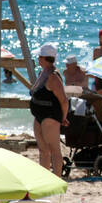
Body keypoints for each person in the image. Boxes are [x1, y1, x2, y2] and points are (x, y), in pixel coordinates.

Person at [29, 44, 69, 176]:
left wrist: (63, 118)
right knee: (43, 150)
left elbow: (63, 100)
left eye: (39, 57)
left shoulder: (53, 77)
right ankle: (45, 178)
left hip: (50, 116)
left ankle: (57, 178)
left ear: (44, 58)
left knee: (54, 150)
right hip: (39, 115)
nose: (38, 59)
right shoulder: (42, 73)